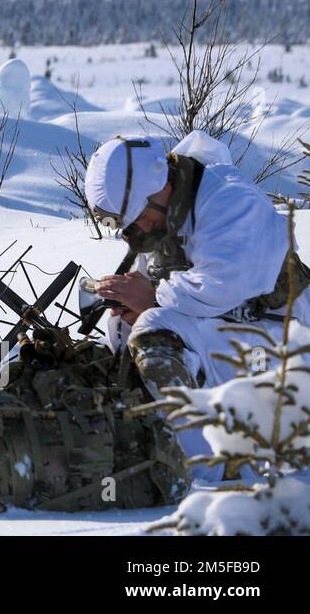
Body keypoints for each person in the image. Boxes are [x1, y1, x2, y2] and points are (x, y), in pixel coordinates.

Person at [85, 131, 310, 478]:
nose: (139, 230)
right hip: (233, 338)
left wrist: (150, 297)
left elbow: (221, 286)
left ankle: (206, 470)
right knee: (125, 326)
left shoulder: (231, 201)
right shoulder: (166, 214)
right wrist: (131, 301)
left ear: (160, 186)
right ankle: (153, 434)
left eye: (139, 217)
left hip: (283, 343)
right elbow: (159, 286)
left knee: (153, 332)